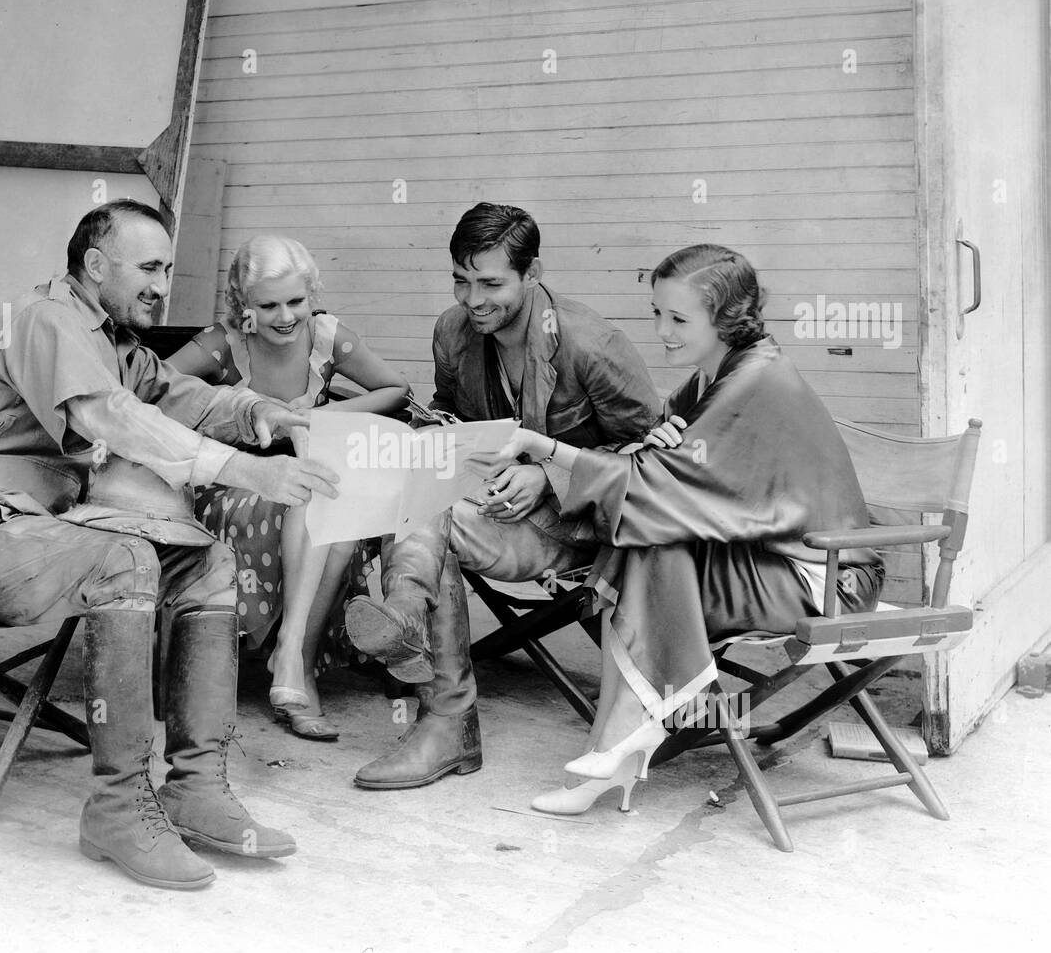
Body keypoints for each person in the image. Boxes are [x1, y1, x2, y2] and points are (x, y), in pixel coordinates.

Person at [0, 200, 339, 889]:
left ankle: (194, 786)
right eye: (150, 267)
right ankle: (117, 806)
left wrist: (258, 411)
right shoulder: (46, 319)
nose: (164, 284)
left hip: (39, 534)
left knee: (206, 560)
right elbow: (108, 415)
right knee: (125, 556)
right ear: (96, 265)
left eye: (169, 268)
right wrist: (248, 469)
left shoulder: (114, 340)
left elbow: (177, 396)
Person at [474, 244, 885, 815]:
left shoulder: (758, 379)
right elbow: (664, 481)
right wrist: (650, 450)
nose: (663, 332)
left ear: (726, 319)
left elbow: (660, 485)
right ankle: (620, 740)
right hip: (762, 558)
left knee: (652, 536)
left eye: (678, 318)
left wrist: (546, 448)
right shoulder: (710, 378)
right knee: (653, 539)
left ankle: (620, 740)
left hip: (822, 573)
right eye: (656, 313)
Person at [343, 202, 661, 789]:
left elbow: (654, 462)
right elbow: (448, 417)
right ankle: (414, 631)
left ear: (532, 272)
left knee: (425, 517)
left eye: (490, 283)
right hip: (486, 511)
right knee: (417, 496)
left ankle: (434, 691)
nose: (473, 300)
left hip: (581, 534)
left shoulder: (592, 344)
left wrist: (551, 472)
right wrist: (430, 442)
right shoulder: (453, 331)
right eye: (461, 281)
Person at [168, 236, 410, 740]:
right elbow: (152, 392)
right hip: (231, 483)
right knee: (321, 503)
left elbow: (395, 389)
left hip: (307, 477)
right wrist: (228, 423)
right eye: (268, 304)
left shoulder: (327, 336)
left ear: (311, 294)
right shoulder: (220, 344)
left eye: (296, 301)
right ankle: (294, 660)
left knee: (333, 517)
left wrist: (319, 416)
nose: (285, 316)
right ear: (242, 305)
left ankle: (293, 653)